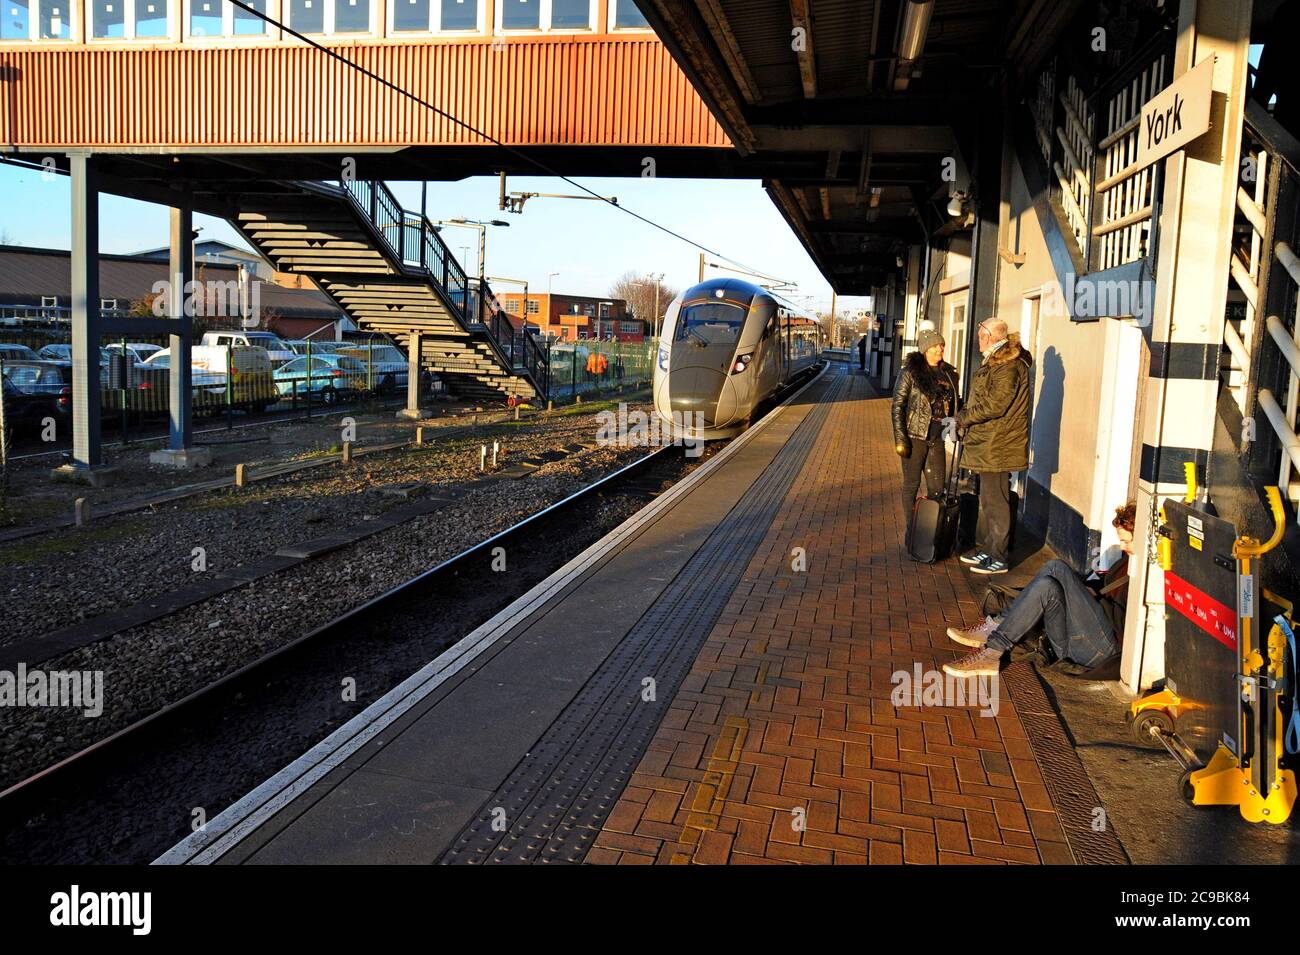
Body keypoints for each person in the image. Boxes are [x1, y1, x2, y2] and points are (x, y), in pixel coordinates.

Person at [942, 502, 1136, 677]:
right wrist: (1084, 592)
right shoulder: (1126, 561)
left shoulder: (1145, 577)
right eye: (1121, 540)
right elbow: (1101, 587)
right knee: (1048, 585)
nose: (1122, 546)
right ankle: (993, 646)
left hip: (1102, 650)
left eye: (1127, 541)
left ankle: (994, 636)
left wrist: (1091, 598)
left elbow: (1123, 624)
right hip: (1072, 646)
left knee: (1058, 567)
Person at [954, 318, 1032, 576]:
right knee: (988, 499)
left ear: (989, 336)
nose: (977, 339)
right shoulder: (996, 361)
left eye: (979, 335)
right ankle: (989, 549)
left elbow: (995, 405)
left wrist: (963, 417)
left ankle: (998, 557)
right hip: (990, 442)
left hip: (999, 444)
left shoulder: (1007, 365)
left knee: (996, 501)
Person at [890, 328, 959, 525]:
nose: (940, 349)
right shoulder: (910, 373)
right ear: (925, 348)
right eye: (936, 345)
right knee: (911, 485)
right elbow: (897, 407)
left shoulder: (949, 374)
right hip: (914, 437)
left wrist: (955, 429)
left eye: (942, 345)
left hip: (937, 439)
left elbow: (953, 406)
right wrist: (901, 439)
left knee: (937, 488)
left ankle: (930, 533)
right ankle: (912, 530)